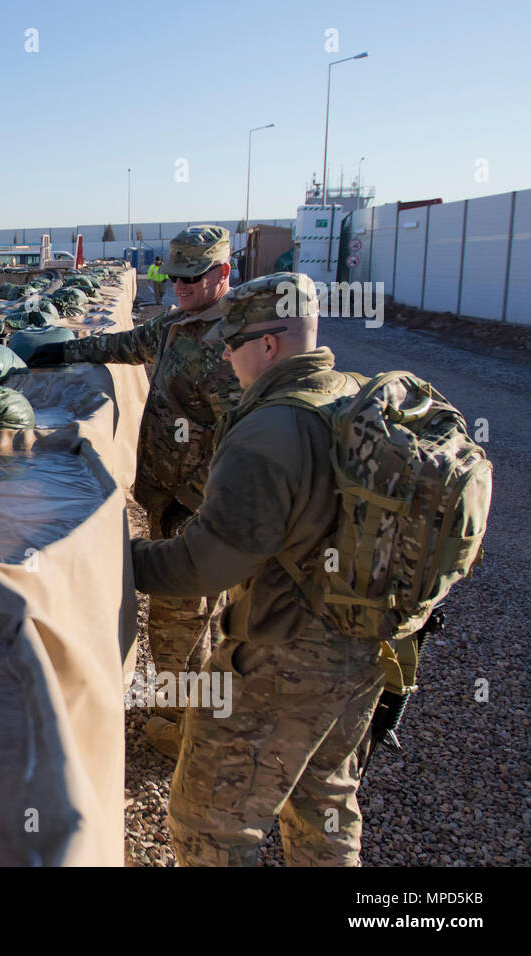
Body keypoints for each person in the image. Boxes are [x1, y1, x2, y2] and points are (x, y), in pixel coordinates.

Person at [131, 272, 383, 866]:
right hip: (367, 646)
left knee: (208, 827)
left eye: (231, 340)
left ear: (268, 345)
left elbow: (202, 567)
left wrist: (117, 558)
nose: (222, 351)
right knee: (325, 801)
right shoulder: (352, 393)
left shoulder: (268, 430)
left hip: (284, 658)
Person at [30, 225, 241, 757]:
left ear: (223, 273)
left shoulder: (233, 342)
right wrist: (60, 353)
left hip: (198, 510)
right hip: (169, 500)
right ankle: (198, 714)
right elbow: (125, 344)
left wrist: (198, 503)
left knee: (178, 623)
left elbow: (243, 442)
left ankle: (182, 733)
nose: (180, 285)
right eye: (173, 276)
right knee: (191, 621)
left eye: (193, 277)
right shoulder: (178, 325)